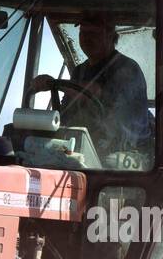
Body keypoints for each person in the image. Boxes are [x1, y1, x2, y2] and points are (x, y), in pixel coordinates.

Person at [30, 12, 152, 160]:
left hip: (127, 149)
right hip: (91, 145)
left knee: (111, 163)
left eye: (93, 33)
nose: (86, 38)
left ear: (109, 35)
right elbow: (68, 110)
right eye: (83, 32)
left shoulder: (126, 69)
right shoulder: (80, 71)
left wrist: (56, 84)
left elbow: (98, 93)